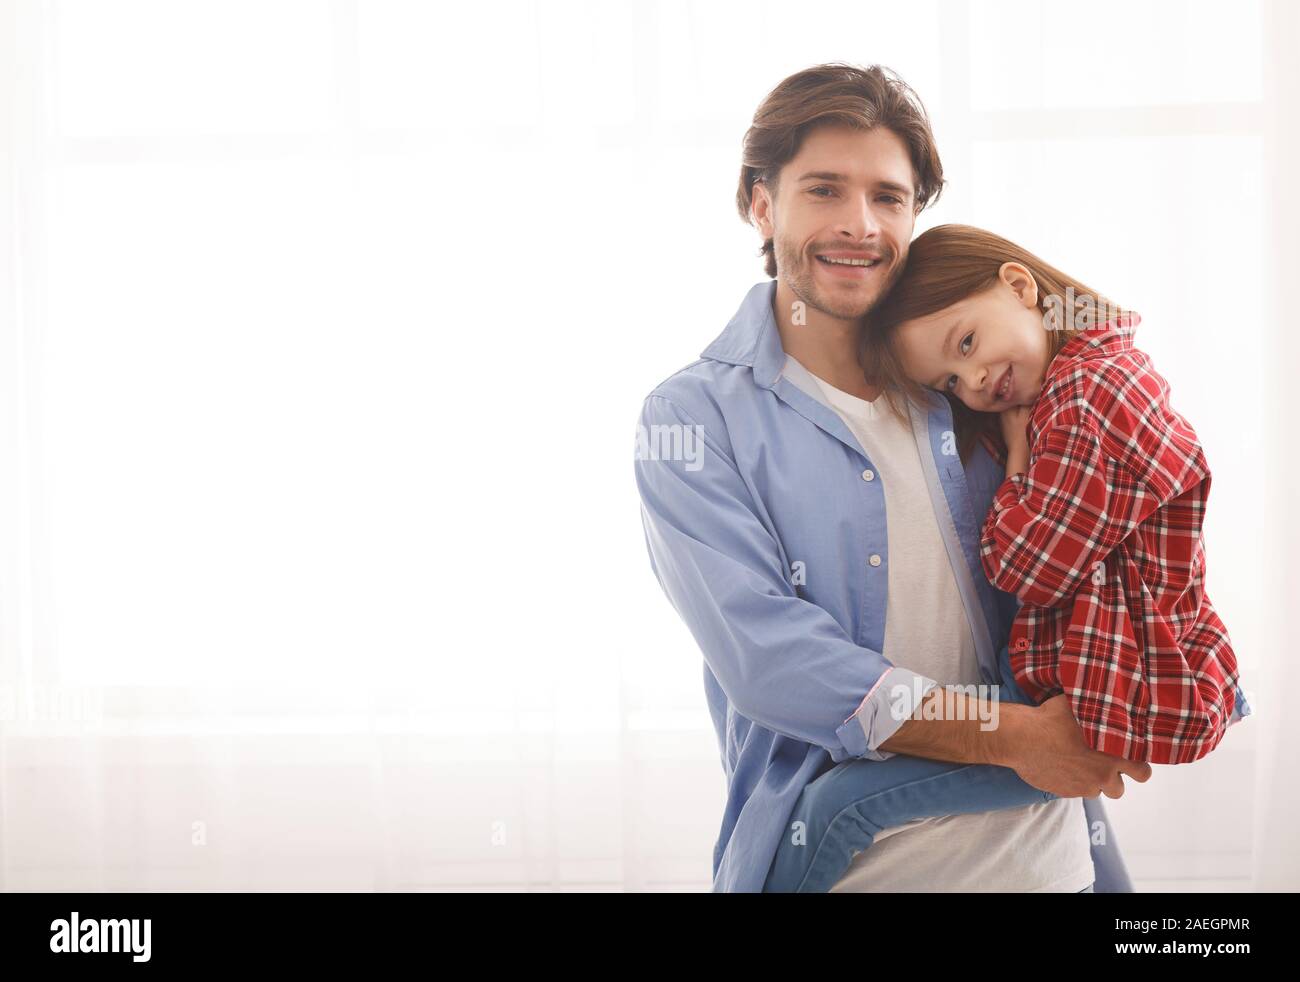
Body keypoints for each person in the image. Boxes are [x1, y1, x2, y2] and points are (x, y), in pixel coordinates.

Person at [633, 63, 1156, 893]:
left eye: (888, 197)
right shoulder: (695, 422)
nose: (858, 225)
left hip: (1054, 864)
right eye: (824, 190)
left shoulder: (975, 379)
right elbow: (773, 661)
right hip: (849, 870)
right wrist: (1012, 737)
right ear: (760, 204)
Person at [763, 225, 1252, 892]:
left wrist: (1018, 462)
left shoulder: (1088, 397)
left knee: (835, 807)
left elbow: (1027, 566)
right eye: (952, 381)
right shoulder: (1080, 382)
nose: (976, 382)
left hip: (1095, 691)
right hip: (1085, 685)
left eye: (967, 345)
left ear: (1020, 286)